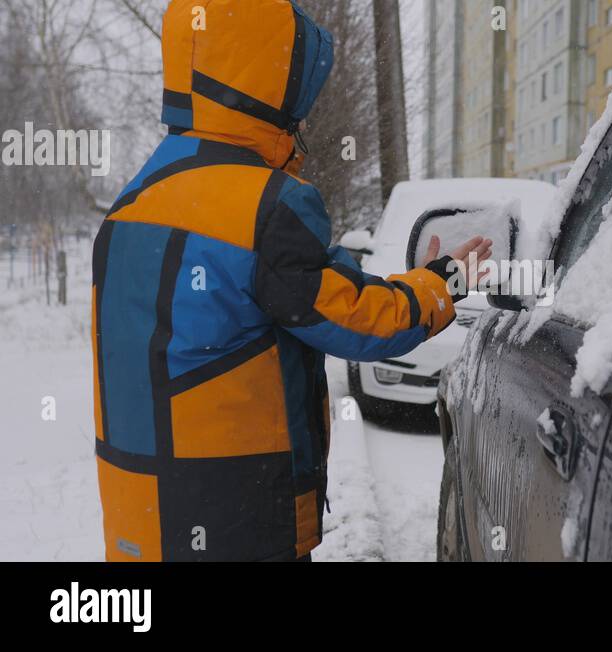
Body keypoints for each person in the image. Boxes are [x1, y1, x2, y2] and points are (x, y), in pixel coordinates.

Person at [91, 0, 490, 562]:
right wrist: (439, 283)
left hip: (140, 507)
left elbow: (272, 292)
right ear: (267, 87)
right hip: (231, 511)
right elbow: (355, 324)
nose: (302, 119)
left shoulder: (131, 203)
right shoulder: (265, 206)